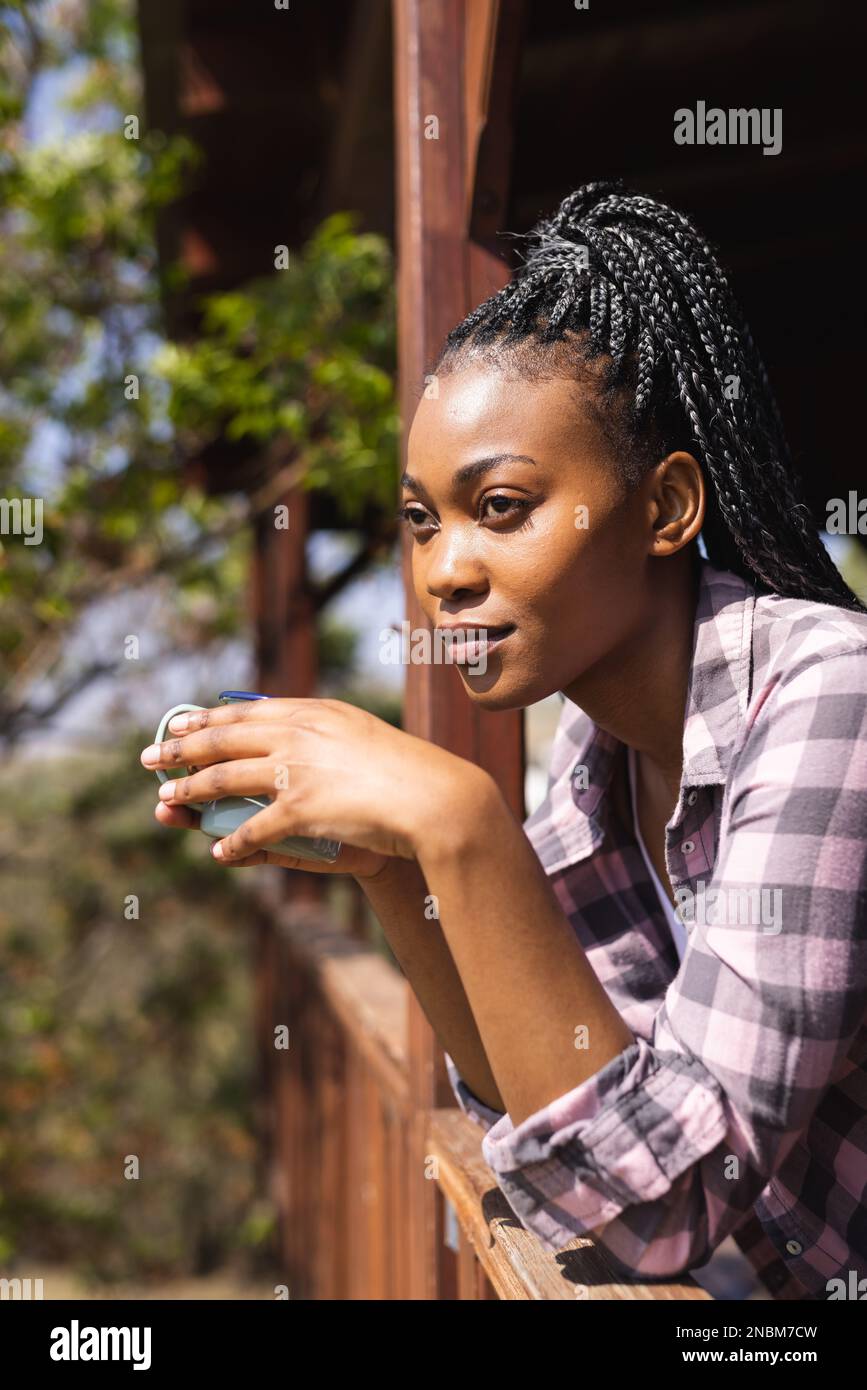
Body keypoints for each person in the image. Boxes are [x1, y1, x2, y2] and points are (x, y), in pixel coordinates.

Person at [143, 181, 867, 1301]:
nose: (444, 571)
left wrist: (463, 823)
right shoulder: (600, 750)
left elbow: (667, 1196)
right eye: (424, 520)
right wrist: (394, 869)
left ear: (666, 508)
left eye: (504, 505)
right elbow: (564, 1095)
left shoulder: (833, 698)